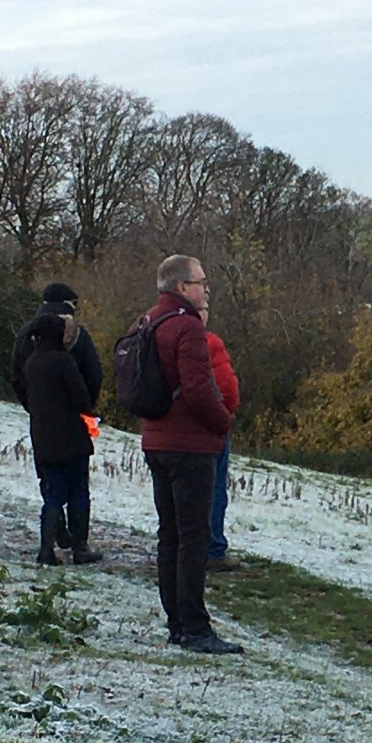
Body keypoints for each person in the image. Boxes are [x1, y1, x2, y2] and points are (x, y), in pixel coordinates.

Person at [138, 255, 242, 655]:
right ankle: (196, 628)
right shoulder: (188, 327)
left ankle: (177, 623)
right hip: (190, 446)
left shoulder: (148, 321)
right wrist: (222, 423)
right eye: (201, 281)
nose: (206, 288)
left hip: (156, 440)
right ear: (182, 287)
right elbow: (199, 389)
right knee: (194, 537)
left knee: (169, 535)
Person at [12, 282, 104, 554]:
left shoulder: (26, 335)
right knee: (78, 487)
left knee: (50, 484)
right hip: (72, 425)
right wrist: (85, 409)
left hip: (41, 424)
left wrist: (35, 406)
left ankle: (54, 535)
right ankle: (79, 544)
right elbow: (94, 375)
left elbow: (15, 377)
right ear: (70, 303)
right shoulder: (76, 336)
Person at [204, 319, 241, 572]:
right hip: (207, 427)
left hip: (164, 432)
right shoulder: (209, 343)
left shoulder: (155, 333)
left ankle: (178, 548)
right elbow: (227, 388)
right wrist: (224, 415)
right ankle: (213, 549)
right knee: (214, 489)